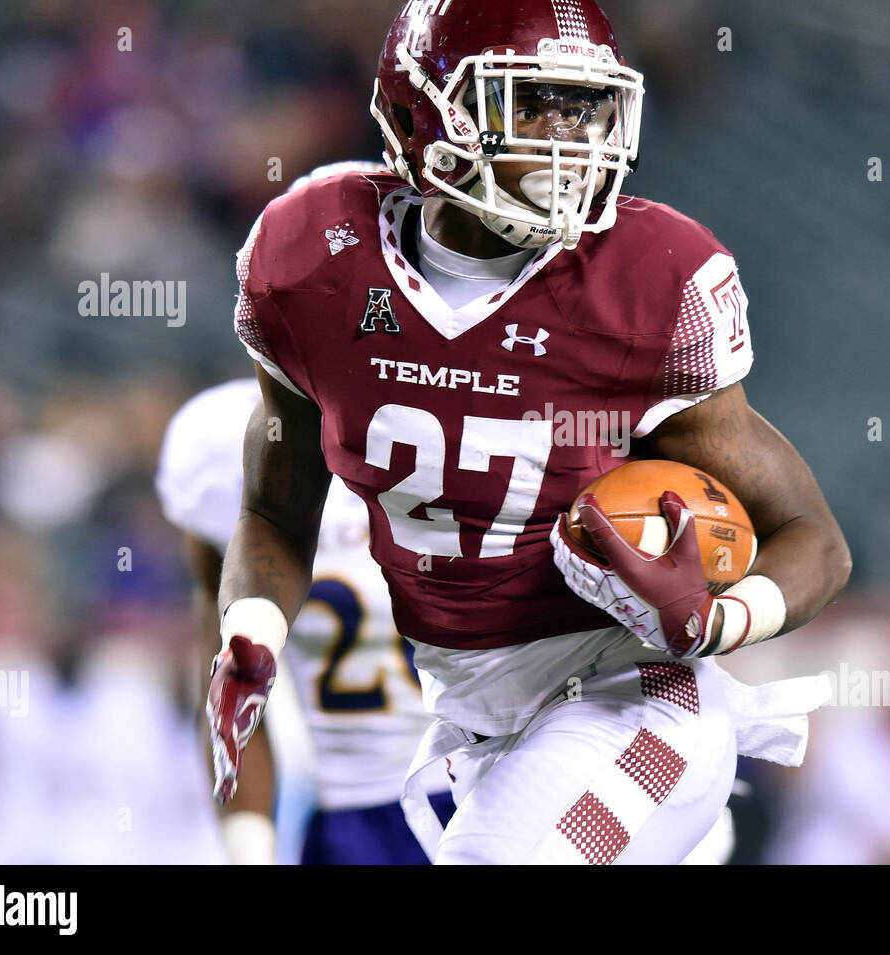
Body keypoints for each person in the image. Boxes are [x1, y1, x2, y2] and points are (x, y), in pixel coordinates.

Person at [207, 0, 850, 864]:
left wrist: (718, 620)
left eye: (584, 108)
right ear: (424, 111)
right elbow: (274, 511)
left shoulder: (647, 281)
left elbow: (816, 539)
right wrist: (253, 631)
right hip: (475, 719)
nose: (570, 136)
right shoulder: (315, 259)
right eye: (534, 103)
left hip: (636, 695)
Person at [158, 376, 453, 864]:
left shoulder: (214, 451)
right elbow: (227, 700)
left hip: (393, 814)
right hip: (382, 807)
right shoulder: (439, 423)